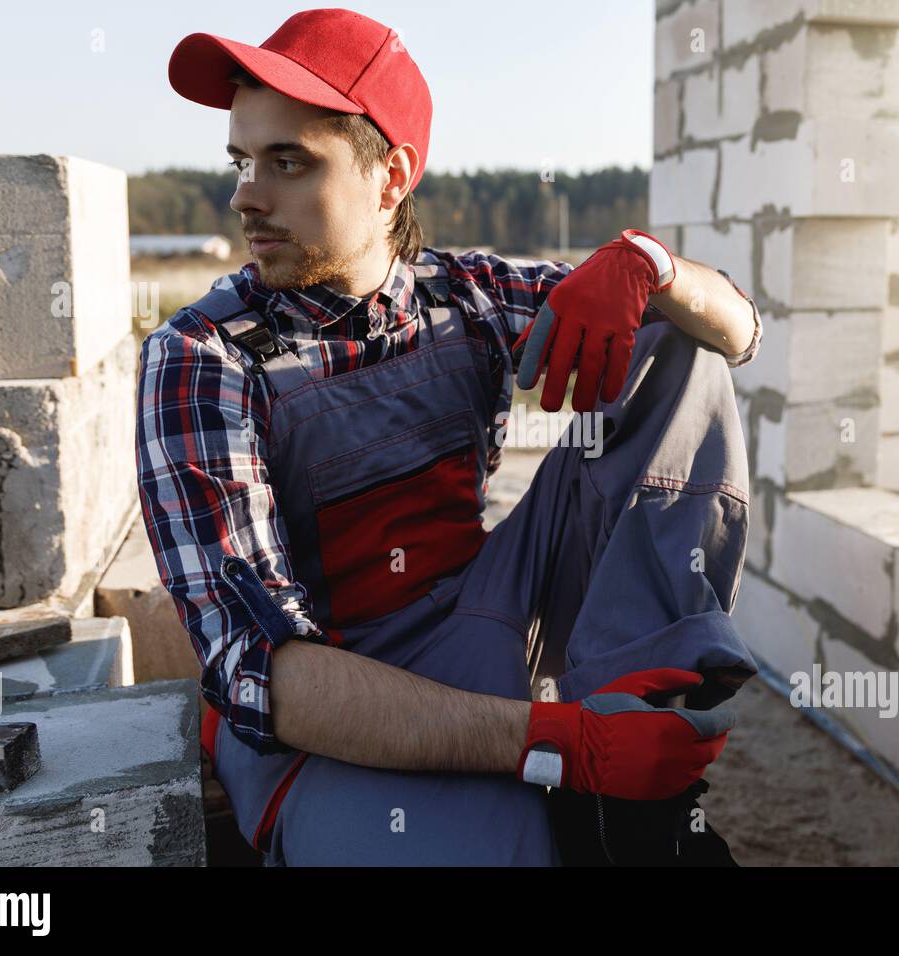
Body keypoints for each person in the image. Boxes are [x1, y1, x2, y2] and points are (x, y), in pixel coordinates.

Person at [139, 7, 763, 866]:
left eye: (289, 162)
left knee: (679, 350)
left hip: (477, 614)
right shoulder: (201, 359)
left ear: (391, 176)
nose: (247, 194)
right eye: (243, 160)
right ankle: (592, 761)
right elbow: (268, 677)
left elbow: (736, 331)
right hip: (329, 710)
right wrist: (556, 745)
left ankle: (635, 707)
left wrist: (645, 264)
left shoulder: (463, 297)